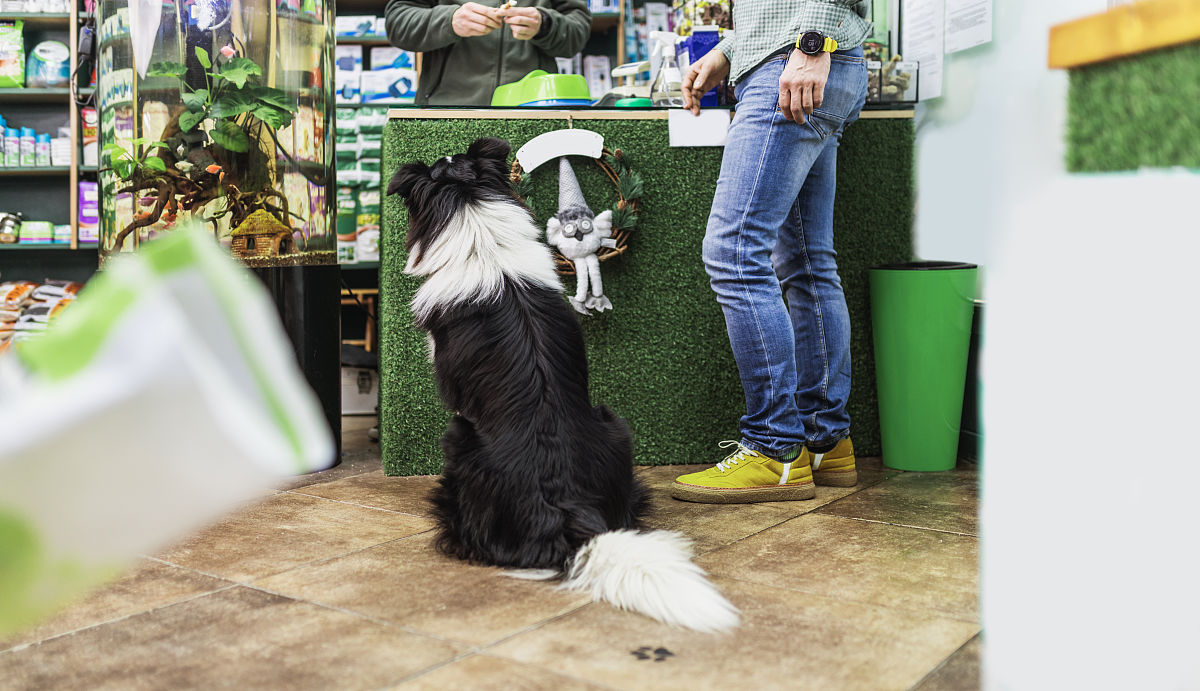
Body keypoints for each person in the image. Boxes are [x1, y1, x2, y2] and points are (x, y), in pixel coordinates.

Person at [670, 1, 871, 504]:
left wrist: (811, 43)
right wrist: (729, 50)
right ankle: (826, 442)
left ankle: (775, 447)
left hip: (796, 63)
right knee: (808, 261)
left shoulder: (808, 45)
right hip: (813, 60)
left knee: (734, 254)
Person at [383, 0, 591, 106]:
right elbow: (398, 22)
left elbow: (578, 32)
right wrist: (449, 21)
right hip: (447, 110)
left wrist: (546, 25)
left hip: (532, 108)